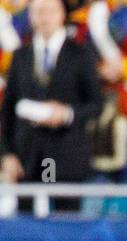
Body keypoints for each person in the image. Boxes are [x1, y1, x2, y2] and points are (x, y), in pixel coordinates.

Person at [0, 0, 101, 198]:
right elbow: (7, 111)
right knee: (26, 216)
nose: (45, 18)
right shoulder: (20, 56)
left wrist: (66, 114)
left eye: (50, 11)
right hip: (25, 159)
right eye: (39, 11)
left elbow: (96, 104)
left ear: (62, 14)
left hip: (66, 157)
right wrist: (6, 155)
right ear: (30, 15)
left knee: (65, 215)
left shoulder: (82, 54)